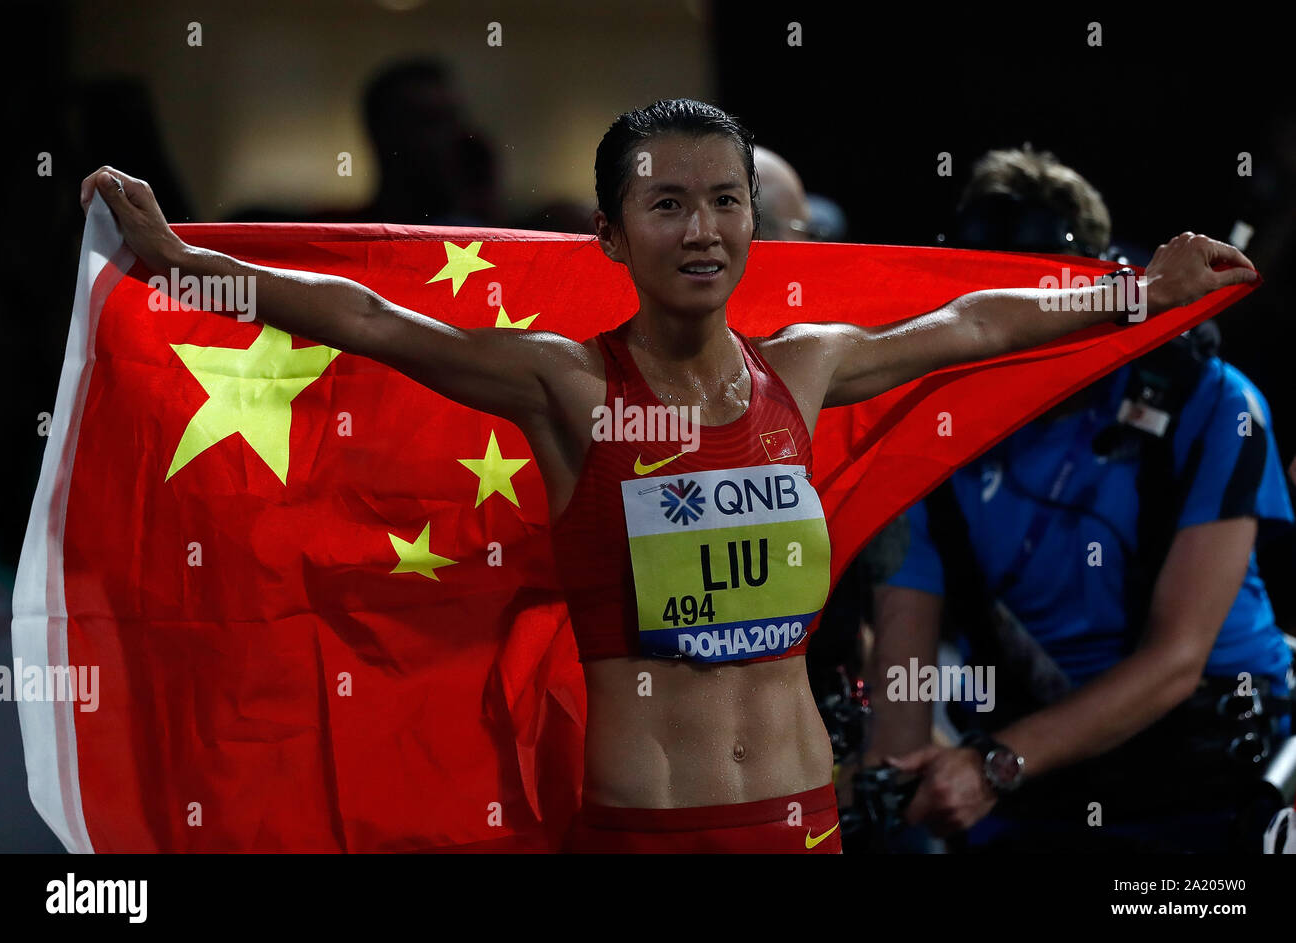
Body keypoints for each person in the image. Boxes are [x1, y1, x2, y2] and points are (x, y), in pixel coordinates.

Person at [78, 99, 1255, 854]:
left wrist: (1135, 295)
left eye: (724, 202)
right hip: (647, 828)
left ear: (754, 222)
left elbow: (982, 323)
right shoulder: (562, 388)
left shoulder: (805, 371)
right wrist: (186, 269)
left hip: (800, 819)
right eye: (667, 204)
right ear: (610, 232)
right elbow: (369, 320)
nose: (702, 229)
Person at [868, 145, 1294, 852]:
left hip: (1208, 770)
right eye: (986, 299)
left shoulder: (1212, 402)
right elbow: (903, 694)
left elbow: (1177, 658)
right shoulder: (926, 437)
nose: (1013, 327)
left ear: (1097, 290)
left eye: (1036, 297)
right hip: (1034, 780)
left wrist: (991, 762)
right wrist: (896, 779)